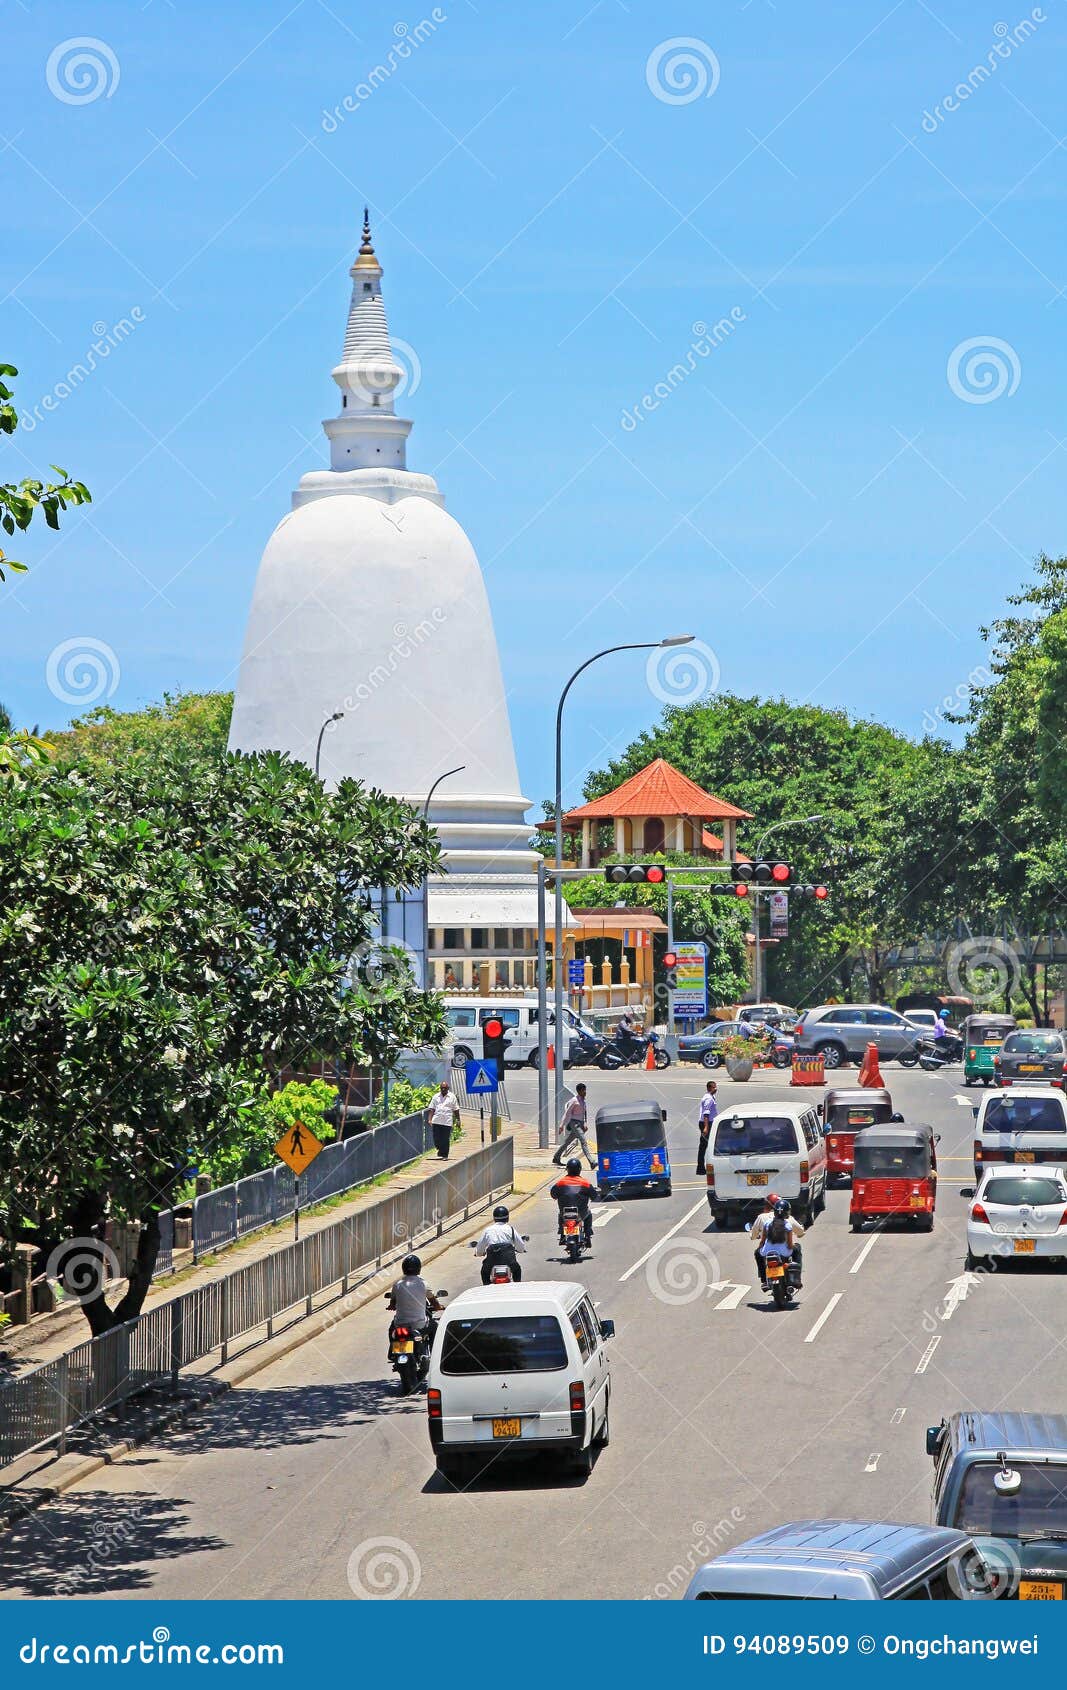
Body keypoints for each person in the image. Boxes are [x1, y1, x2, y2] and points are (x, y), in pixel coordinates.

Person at [386, 1254, 442, 1334]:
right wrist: (439, 1307)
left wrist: (391, 1306)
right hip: (419, 1325)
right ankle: (433, 1346)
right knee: (434, 1326)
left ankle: (392, 1344)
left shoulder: (397, 1285)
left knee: (391, 1330)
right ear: (418, 1268)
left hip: (400, 1325)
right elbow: (435, 1303)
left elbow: (392, 1304)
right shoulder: (423, 1284)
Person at [755, 1199, 805, 1288]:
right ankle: (796, 1279)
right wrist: (793, 1247)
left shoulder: (767, 1223)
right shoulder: (787, 1225)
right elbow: (790, 1245)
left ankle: (764, 1279)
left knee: (757, 1253)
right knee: (797, 1249)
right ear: (787, 1213)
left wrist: (759, 1250)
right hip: (783, 1253)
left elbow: (762, 1241)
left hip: (767, 1252)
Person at [475, 1204, 527, 1284]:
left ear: (494, 1218)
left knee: (484, 1272)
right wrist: (521, 1250)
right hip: (509, 1261)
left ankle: (486, 1288)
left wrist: (479, 1254)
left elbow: (480, 1248)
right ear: (507, 1217)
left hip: (492, 1261)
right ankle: (517, 1286)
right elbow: (520, 1246)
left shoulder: (488, 1230)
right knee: (517, 1270)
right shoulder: (511, 1229)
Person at [550, 1158, 595, 1247]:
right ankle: (588, 1236)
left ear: (568, 1169)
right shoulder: (585, 1183)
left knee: (560, 1215)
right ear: (579, 1169)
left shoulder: (560, 1182)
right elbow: (594, 1195)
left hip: (565, 1213)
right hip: (581, 1213)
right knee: (589, 1214)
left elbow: (553, 1194)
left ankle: (562, 1233)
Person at [553, 1082, 595, 1169]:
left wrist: (585, 1123)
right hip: (574, 1124)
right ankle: (591, 1162)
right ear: (579, 1091)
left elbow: (584, 1113)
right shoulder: (574, 1101)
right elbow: (567, 1113)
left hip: (580, 1123)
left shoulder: (583, 1100)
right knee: (583, 1141)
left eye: (585, 1090)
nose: (585, 1092)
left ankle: (556, 1157)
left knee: (567, 1142)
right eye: (583, 1091)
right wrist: (562, 1125)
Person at [427, 1080, 460, 1159]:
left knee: (445, 1139)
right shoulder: (436, 1097)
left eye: (445, 1088)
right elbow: (432, 1108)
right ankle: (440, 1149)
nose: (443, 1090)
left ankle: (445, 1155)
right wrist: (429, 1119)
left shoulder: (452, 1097)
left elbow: (456, 1109)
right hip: (437, 1120)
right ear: (440, 1088)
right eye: (442, 1088)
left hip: (447, 1121)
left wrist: (458, 1120)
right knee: (437, 1139)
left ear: (448, 1088)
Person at [696, 1080, 718, 1175]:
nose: (716, 1088)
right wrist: (706, 1127)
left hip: (708, 1123)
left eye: (716, 1086)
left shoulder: (710, 1097)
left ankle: (702, 1167)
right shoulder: (708, 1099)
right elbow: (706, 1114)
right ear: (709, 1088)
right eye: (714, 1087)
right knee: (704, 1146)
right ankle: (701, 1168)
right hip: (707, 1123)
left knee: (705, 1145)